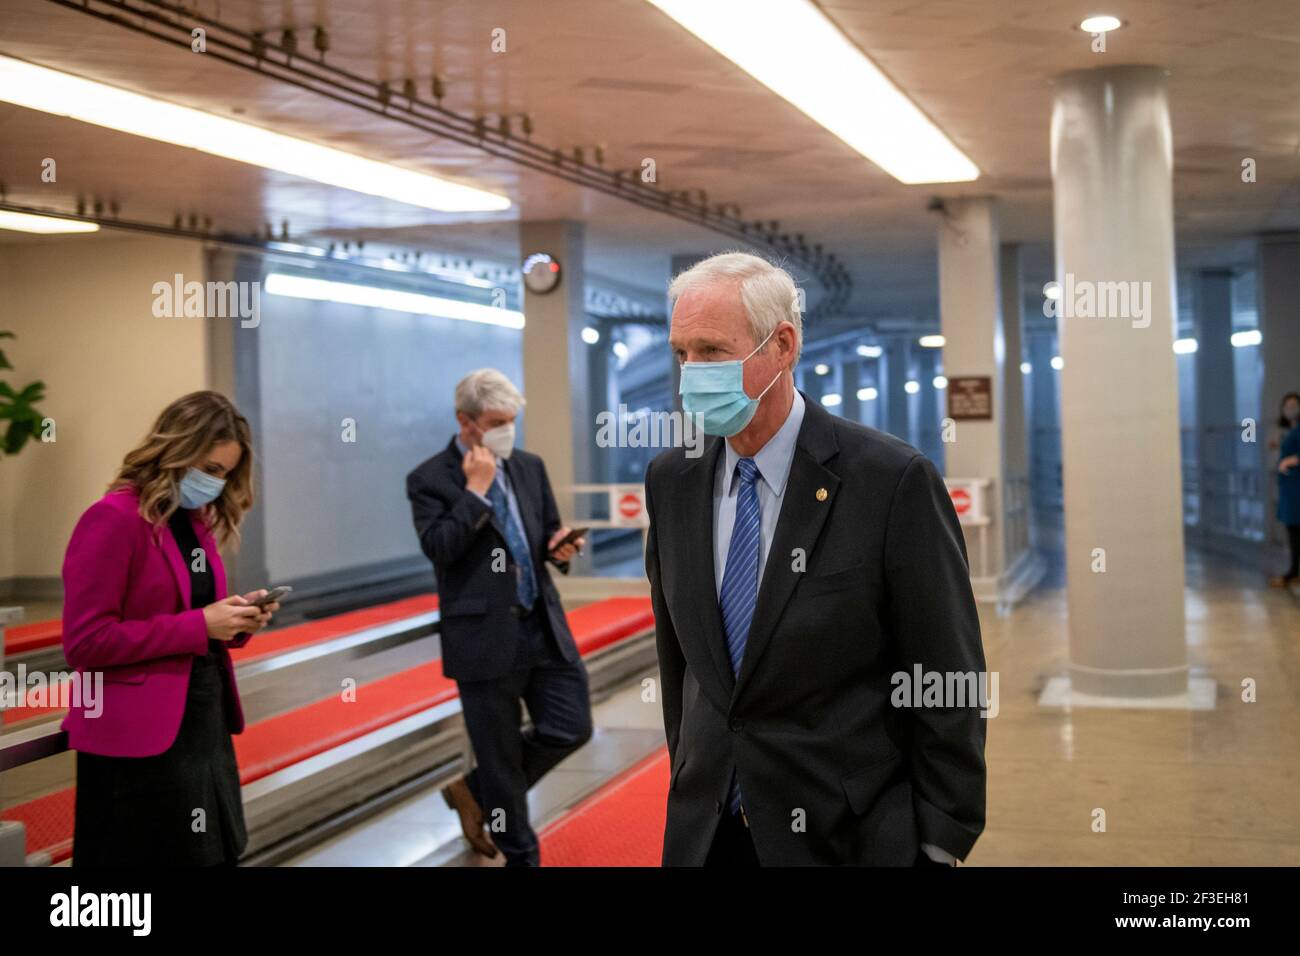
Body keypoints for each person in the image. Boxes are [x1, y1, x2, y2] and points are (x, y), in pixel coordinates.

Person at [645, 252, 987, 866]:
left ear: (782, 346)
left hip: (846, 836)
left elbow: (945, 670)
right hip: (707, 833)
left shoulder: (889, 481)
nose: (692, 373)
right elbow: (680, 664)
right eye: (682, 353)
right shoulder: (673, 481)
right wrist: (691, 773)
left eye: (714, 352)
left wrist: (941, 837)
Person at [61, 390, 280, 867]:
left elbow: (195, 612)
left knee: (211, 850)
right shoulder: (112, 520)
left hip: (201, 720)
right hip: (137, 736)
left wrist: (237, 621)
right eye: (206, 467)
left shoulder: (193, 521)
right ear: (174, 449)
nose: (211, 482)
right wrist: (199, 625)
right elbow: (85, 642)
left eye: (221, 474)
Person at [406, 369, 593, 866]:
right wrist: (475, 493)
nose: (507, 431)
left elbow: (547, 533)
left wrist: (560, 547)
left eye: (512, 420)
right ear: (465, 421)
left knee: (571, 727)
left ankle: (472, 790)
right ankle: (520, 856)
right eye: (495, 421)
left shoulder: (528, 466)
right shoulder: (429, 479)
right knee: (501, 756)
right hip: (482, 637)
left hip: (540, 624)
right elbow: (440, 549)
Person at [1268, 391, 1300, 589]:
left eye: (1294, 404)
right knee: (1293, 529)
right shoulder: (1286, 431)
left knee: (1296, 529)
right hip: (1288, 486)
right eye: (1287, 405)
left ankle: (1293, 572)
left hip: (1296, 485)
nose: (1290, 409)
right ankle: (1293, 572)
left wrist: (1293, 459)